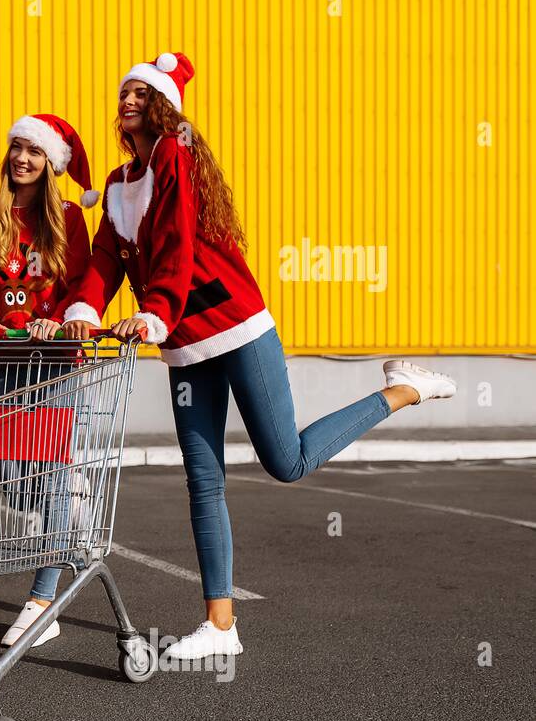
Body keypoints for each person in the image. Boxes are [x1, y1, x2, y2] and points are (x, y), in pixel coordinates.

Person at [60, 52, 457, 659]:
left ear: (164, 104)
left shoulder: (176, 152)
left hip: (235, 324)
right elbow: (109, 258)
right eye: (126, 92)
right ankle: (222, 625)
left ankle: (403, 389)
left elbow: (177, 241)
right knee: (203, 480)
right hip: (183, 344)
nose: (131, 99)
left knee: (287, 462)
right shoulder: (116, 185)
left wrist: (157, 310)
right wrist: (85, 310)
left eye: (144, 91)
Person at [0, 114, 97, 648]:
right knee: (15, 480)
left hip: (52, 362)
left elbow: (82, 286)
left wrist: (64, 316)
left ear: (51, 162)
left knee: (46, 473)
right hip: (1, 361)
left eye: (34, 150)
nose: (22, 158)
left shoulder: (69, 218)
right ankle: (70, 504)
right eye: (16, 148)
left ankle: (43, 601)